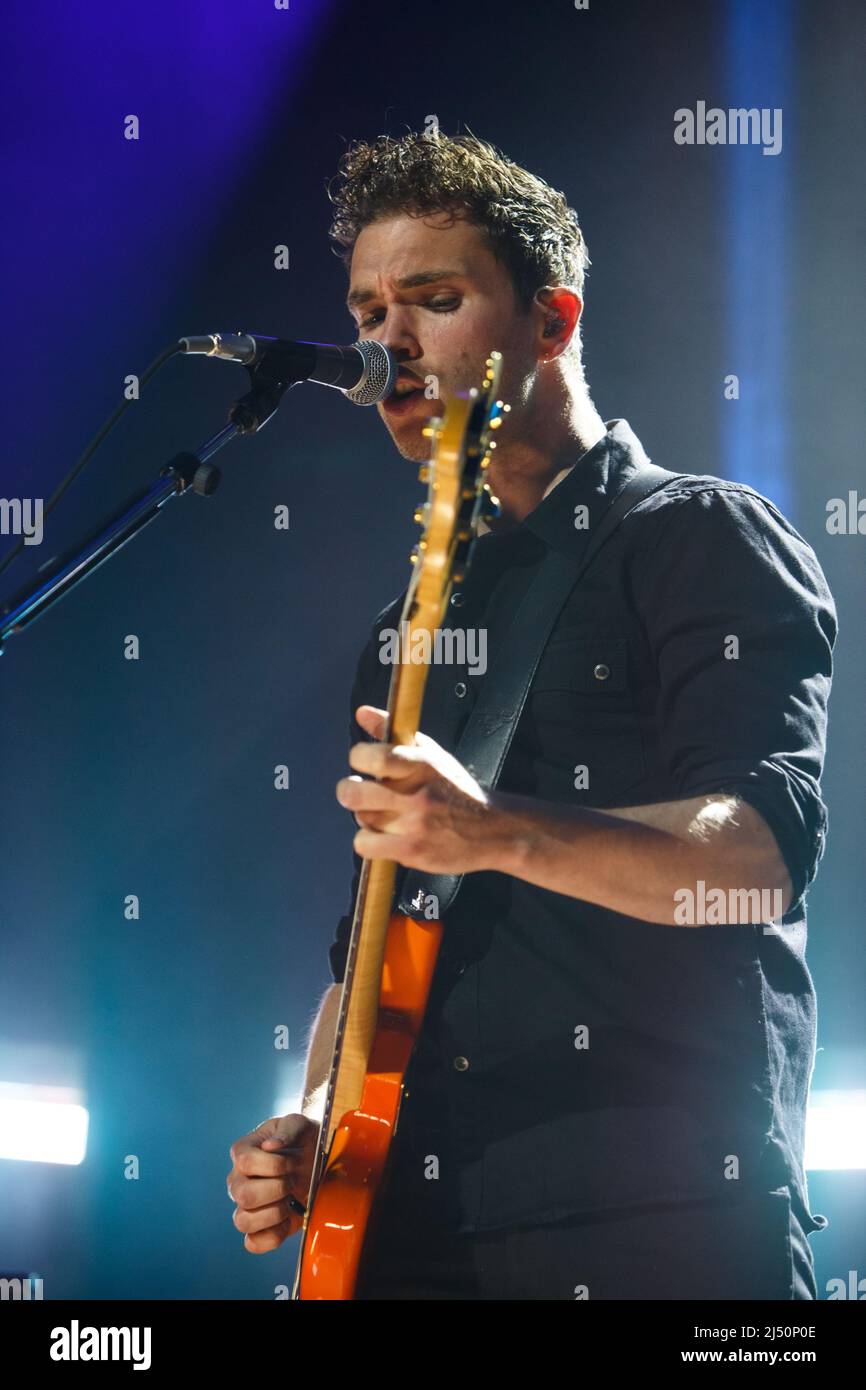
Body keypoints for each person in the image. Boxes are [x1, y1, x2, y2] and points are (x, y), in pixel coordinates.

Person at [226, 132, 836, 1299]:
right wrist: (313, 1118)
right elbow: (375, 933)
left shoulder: (697, 535)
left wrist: (494, 829)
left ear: (551, 322)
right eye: (365, 311)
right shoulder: (412, 612)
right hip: (412, 1229)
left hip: (656, 1220)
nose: (383, 346)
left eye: (432, 301)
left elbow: (757, 858)